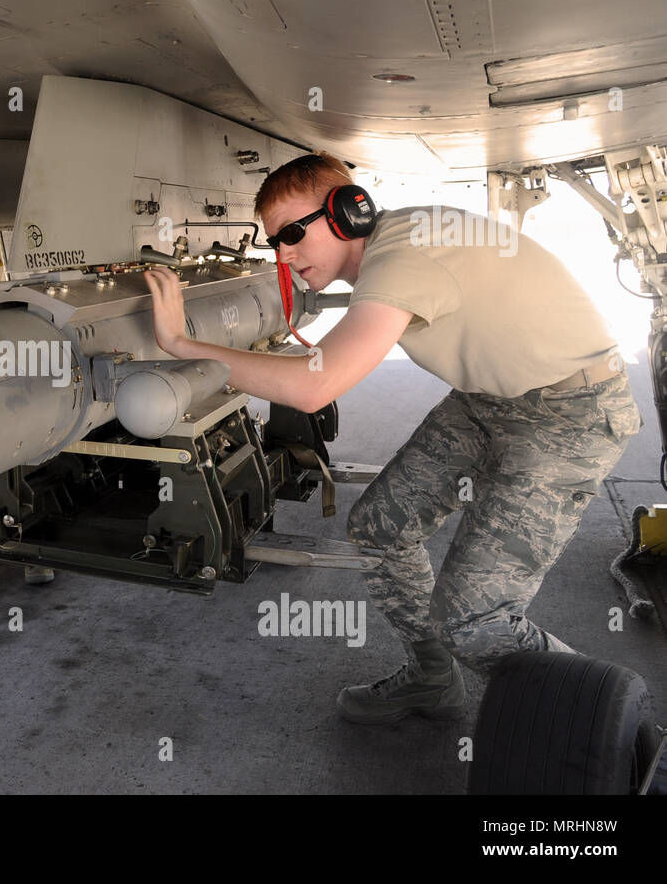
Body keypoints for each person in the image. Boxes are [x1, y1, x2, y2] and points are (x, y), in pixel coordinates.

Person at [144, 152, 641, 723]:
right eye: (272, 241)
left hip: (569, 413)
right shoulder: (393, 245)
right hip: (489, 400)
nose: (281, 252)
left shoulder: (402, 256)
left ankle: (612, 721)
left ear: (347, 212)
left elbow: (314, 386)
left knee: (474, 621)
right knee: (379, 528)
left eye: (291, 233)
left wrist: (184, 346)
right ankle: (432, 681)